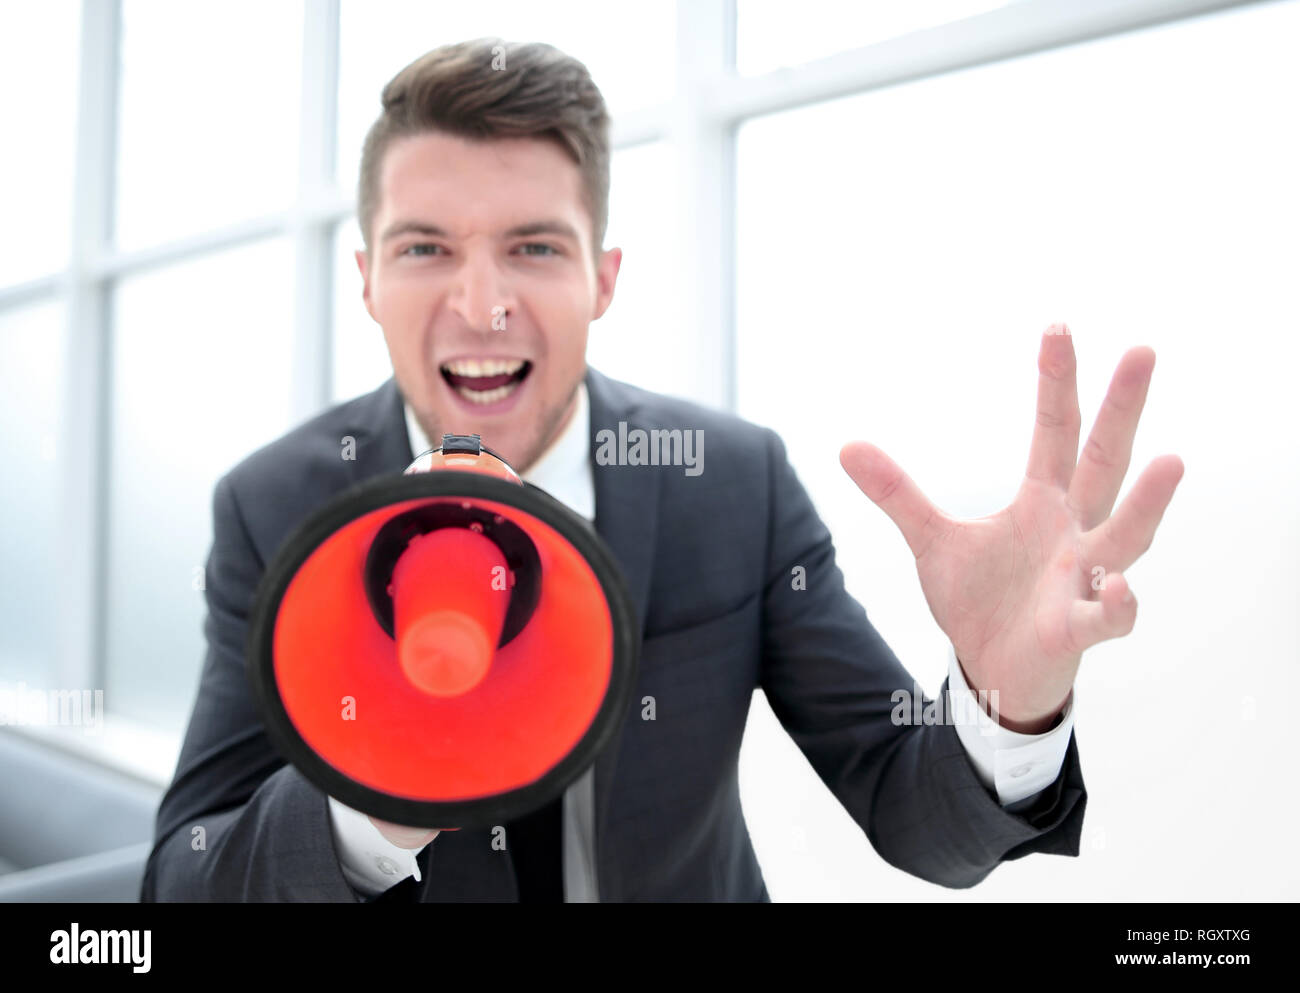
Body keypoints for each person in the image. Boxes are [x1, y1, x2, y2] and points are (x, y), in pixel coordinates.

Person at [140, 37, 1183, 902]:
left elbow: (918, 821)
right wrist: (371, 793)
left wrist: (1006, 704)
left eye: (535, 249)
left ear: (603, 279)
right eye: (424, 249)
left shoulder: (730, 485)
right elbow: (183, 883)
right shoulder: (273, 507)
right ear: (365, 280)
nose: (483, 303)